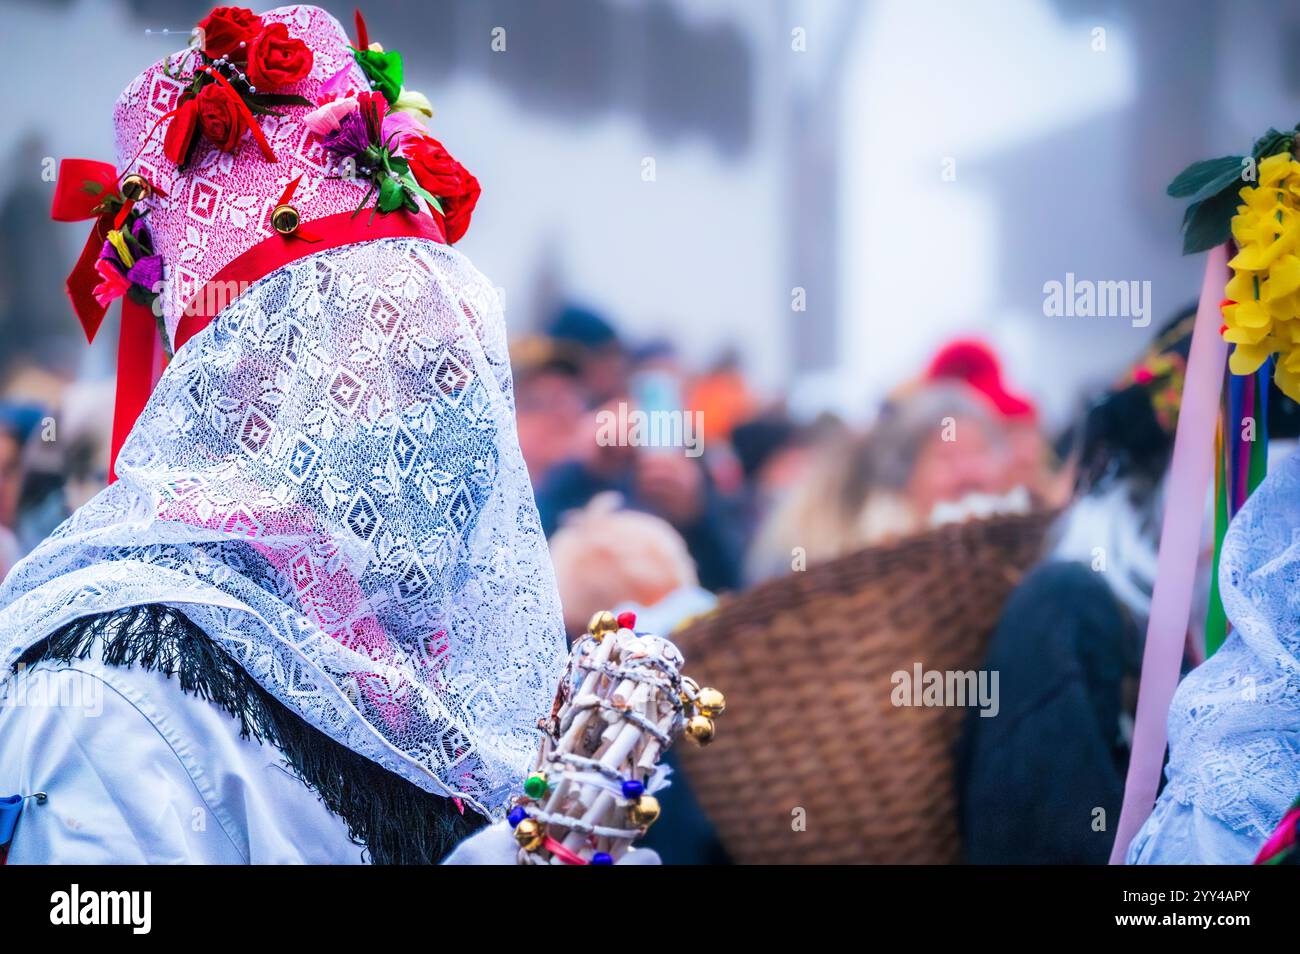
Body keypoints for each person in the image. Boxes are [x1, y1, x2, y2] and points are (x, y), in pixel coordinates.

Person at [0, 5, 654, 865]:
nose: (450, 414)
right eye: (410, 367)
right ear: (255, 384)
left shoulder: (404, 663)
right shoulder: (109, 691)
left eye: (457, 372)